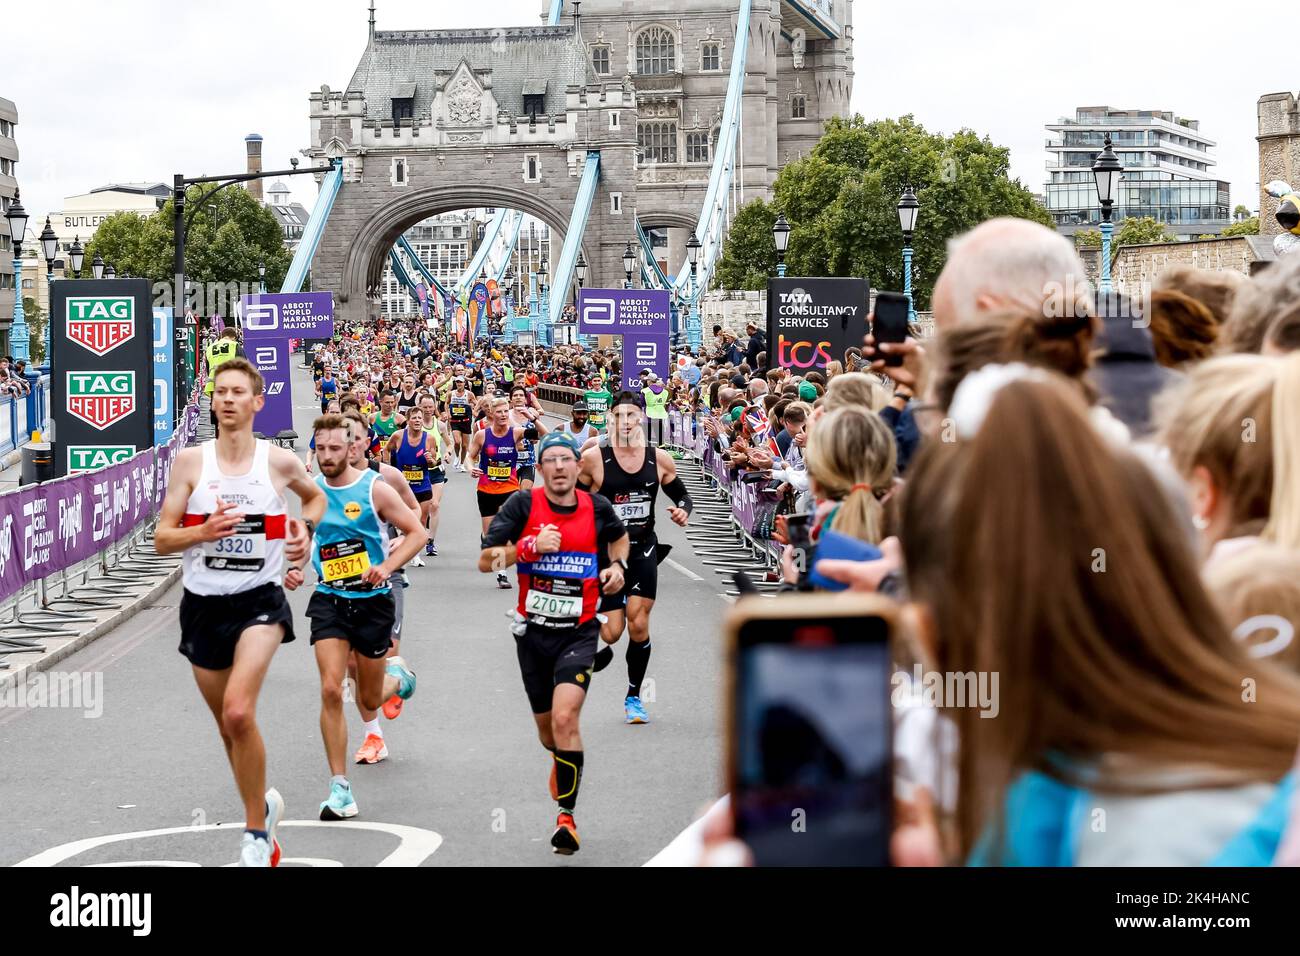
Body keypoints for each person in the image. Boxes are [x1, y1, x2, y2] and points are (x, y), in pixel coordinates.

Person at [154, 358, 324, 867]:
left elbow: (313, 502)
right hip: (203, 605)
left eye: (236, 392)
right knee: (229, 728)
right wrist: (200, 533)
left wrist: (304, 530)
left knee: (238, 710)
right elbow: (163, 537)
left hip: (260, 600)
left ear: (257, 402)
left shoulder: (277, 462)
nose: (226, 399)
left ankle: (253, 833)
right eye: (219, 391)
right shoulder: (190, 462)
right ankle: (263, 810)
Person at [478, 431, 630, 854]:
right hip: (533, 633)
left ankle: (567, 817)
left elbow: (619, 538)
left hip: (580, 632)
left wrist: (617, 565)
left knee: (566, 720)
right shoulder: (522, 505)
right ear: (541, 468)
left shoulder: (596, 507)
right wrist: (527, 547)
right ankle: (559, 760)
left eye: (567, 459)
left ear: (578, 468)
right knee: (549, 733)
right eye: (552, 460)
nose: (561, 466)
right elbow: (485, 561)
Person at [285, 415, 424, 821]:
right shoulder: (312, 493)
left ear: (351, 449)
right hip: (329, 598)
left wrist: (387, 566)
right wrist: (295, 568)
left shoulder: (374, 490)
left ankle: (401, 680)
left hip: (373, 600)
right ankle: (340, 789)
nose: (327, 456)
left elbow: (417, 533)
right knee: (331, 689)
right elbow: (309, 540)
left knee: (366, 696)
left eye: (334, 448)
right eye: (320, 448)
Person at [578, 392, 693, 723]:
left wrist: (683, 511)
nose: (624, 422)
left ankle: (633, 698)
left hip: (643, 548)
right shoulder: (595, 460)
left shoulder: (659, 459)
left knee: (639, 623)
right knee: (612, 633)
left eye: (630, 415)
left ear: (641, 417)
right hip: (606, 551)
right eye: (618, 416)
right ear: (609, 419)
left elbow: (681, 494)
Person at [341, 410, 421, 764]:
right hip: (342, 585)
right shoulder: (326, 482)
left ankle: (397, 678)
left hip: (386, 581)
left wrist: (399, 539)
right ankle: (373, 735)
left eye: (355, 436)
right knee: (352, 667)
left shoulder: (385, 477)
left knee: (379, 663)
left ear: (367, 440)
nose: (349, 444)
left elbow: (416, 512)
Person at [468, 396, 549, 588]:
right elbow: (470, 457)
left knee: (511, 530)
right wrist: (471, 467)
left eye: (506, 411)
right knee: (491, 537)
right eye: (499, 412)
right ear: (491, 414)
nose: (503, 415)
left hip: (510, 489)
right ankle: (500, 565)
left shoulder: (516, 433)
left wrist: (533, 418)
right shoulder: (482, 435)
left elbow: (547, 436)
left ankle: (502, 573)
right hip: (486, 490)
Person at [386, 406, 440, 562]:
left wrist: (431, 460)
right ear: (408, 420)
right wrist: (389, 469)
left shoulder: (429, 438)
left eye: (420, 418)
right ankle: (401, 544)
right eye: (414, 418)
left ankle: (414, 554)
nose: (417, 421)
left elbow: (433, 462)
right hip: (403, 486)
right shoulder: (397, 436)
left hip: (423, 484)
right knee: (402, 520)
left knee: (421, 520)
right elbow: (386, 450)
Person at [446, 376, 475, 471]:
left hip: (466, 421)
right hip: (455, 421)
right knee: (457, 442)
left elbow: (475, 402)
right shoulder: (451, 394)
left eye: (461, 382)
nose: (459, 384)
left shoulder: (469, 394)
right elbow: (446, 403)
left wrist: (474, 408)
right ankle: (457, 457)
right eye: (457, 382)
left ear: (464, 383)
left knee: (465, 445)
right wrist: (448, 413)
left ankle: (462, 463)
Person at [642, 373, 670, 447]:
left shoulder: (645, 391)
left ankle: (647, 455)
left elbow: (642, 403)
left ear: (649, 381)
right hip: (659, 415)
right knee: (660, 439)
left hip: (648, 416)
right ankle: (662, 454)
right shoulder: (664, 391)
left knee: (646, 438)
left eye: (647, 380)